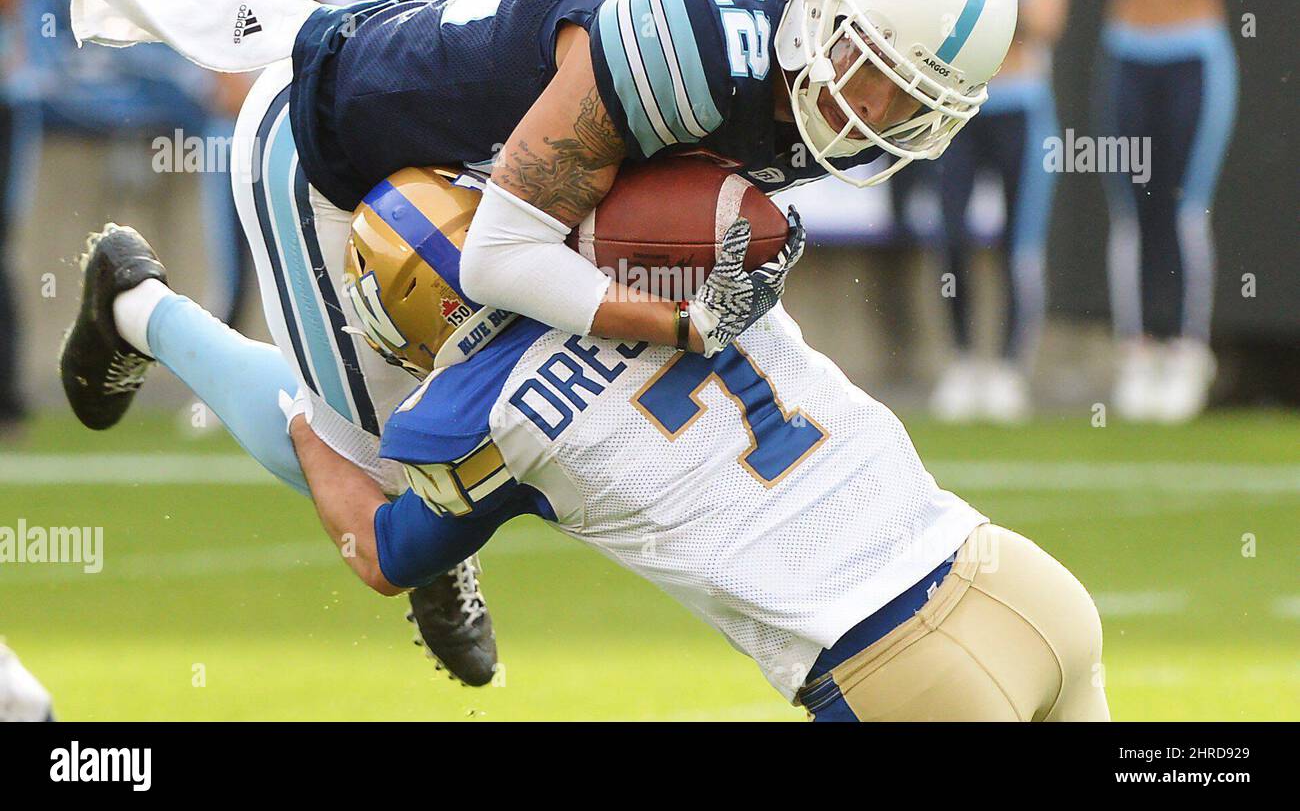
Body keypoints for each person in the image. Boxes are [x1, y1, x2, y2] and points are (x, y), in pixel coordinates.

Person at [61, 0, 1017, 688]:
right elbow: (502, 260)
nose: (872, 113)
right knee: (372, 475)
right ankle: (135, 307)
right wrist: (678, 319)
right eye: (870, 69)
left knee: (495, 426)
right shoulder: (689, 45)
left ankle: (440, 514)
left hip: (481, 177)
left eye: (911, 101)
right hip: (340, 157)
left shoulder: (801, 75)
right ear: (824, 2)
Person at [59, 169, 1109, 720]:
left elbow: (379, 551)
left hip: (893, 669)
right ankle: (142, 309)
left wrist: (300, 412)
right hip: (1020, 580)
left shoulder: (481, 416)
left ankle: (143, 311)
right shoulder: (648, 251)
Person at [1029, 0, 1278, 421]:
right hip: (1128, 52)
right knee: (1133, 209)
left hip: (1193, 51)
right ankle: (1138, 350)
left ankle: (1187, 351)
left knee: (1184, 208)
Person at [930, 0, 1071, 422]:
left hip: (1020, 110)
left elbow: (1042, 23)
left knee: (1019, 245)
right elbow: (939, 17)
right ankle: (963, 361)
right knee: (951, 236)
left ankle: (1011, 367)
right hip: (961, 112)